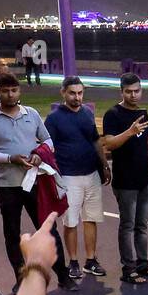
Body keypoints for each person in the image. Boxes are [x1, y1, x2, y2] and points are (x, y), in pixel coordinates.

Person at [0, 73, 78, 294]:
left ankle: (63, 275)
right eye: (5, 90)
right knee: (12, 233)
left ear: (19, 91)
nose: (10, 94)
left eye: (14, 90)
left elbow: (48, 140)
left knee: (48, 229)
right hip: (7, 185)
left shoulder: (31, 114)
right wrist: (9, 158)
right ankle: (20, 277)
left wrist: (39, 154)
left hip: (34, 183)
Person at [101, 72, 148, 284]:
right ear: (122, 92)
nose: (133, 95)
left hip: (145, 180)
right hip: (125, 181)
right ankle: (128, 269)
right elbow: (108, 144)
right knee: (127, 225)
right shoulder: (113, 114)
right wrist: (129, 132)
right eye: (128, 91)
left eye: (137, 91)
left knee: (142, 225)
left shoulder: (143, 113)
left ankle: (143, 264)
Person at [45, 76, 108, 279]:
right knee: (70, 221)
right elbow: (48, 148)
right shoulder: (54, 118)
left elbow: (95, 140)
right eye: (72, 93)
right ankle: (73, 262)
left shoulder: (87, 113)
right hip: (68, 177)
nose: (77, 97)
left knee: (91, 219)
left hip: (91, 174)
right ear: (63, 93)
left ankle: (91, 260)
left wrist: (104, 164)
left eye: (80, 93)